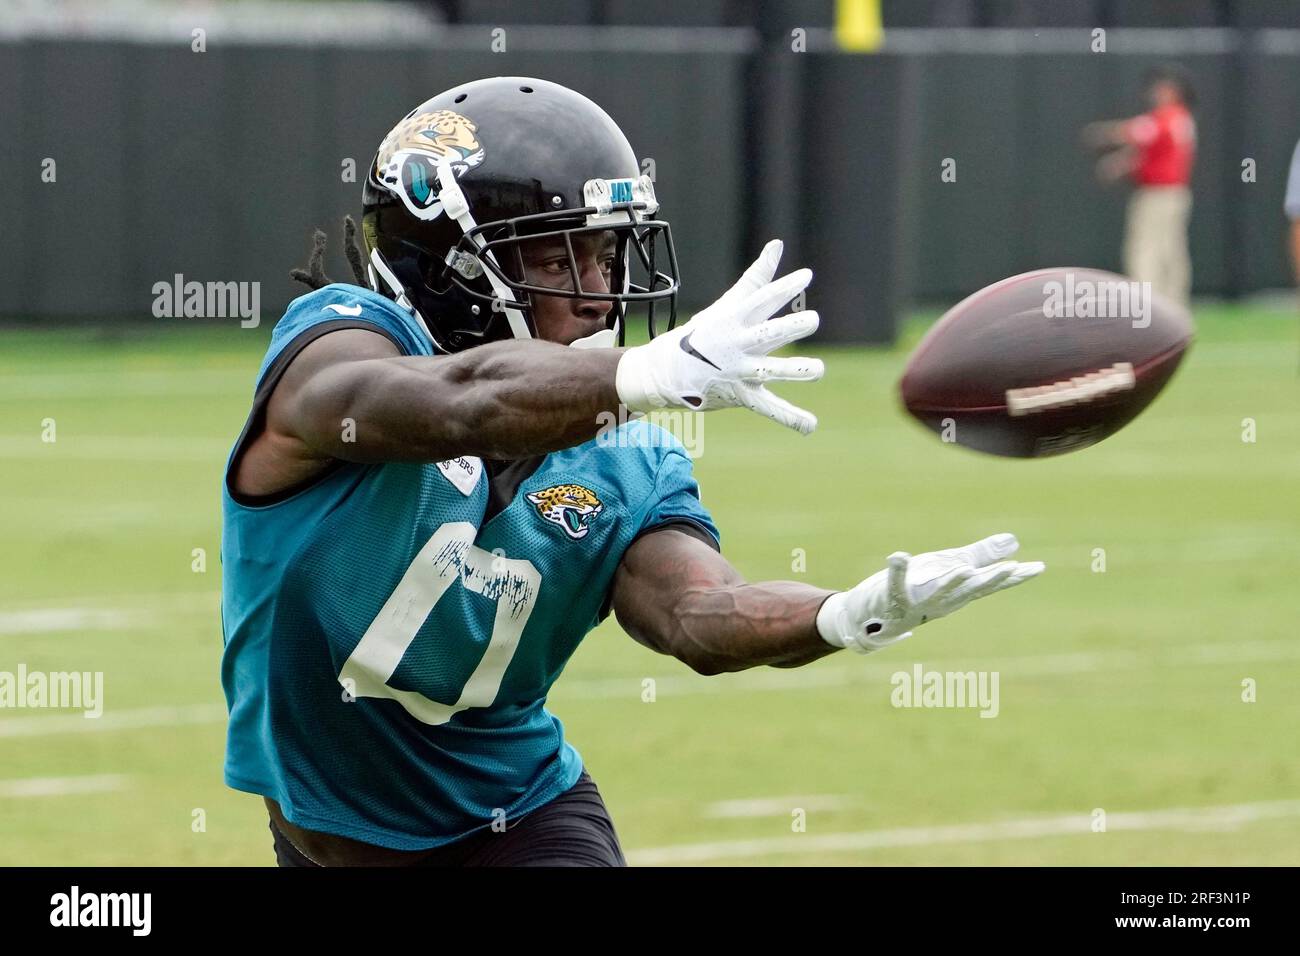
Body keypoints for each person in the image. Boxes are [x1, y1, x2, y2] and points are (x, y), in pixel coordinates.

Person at [219, 76, 1045, 867]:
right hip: (323, 834)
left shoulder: (628, 456)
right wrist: (643, 375)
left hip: (518, 823)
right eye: (555, 261)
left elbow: (698, 613)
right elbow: (460, 402)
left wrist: (839, 614)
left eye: (606, 255)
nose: (596, 293)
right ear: (452, 269)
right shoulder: (342, 348)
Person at [1084, 65, 1197, 307]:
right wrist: (1120, 164)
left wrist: (1102, 133)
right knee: (1171, 250)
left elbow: (1135, 132)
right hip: (1175, 193)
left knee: (1145, 250)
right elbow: (1151, 153)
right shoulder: (1184, 119)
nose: (1157, 93)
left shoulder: (1168, 117)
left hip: (1158, 195)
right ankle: (1173, 305)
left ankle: (1149, 305)